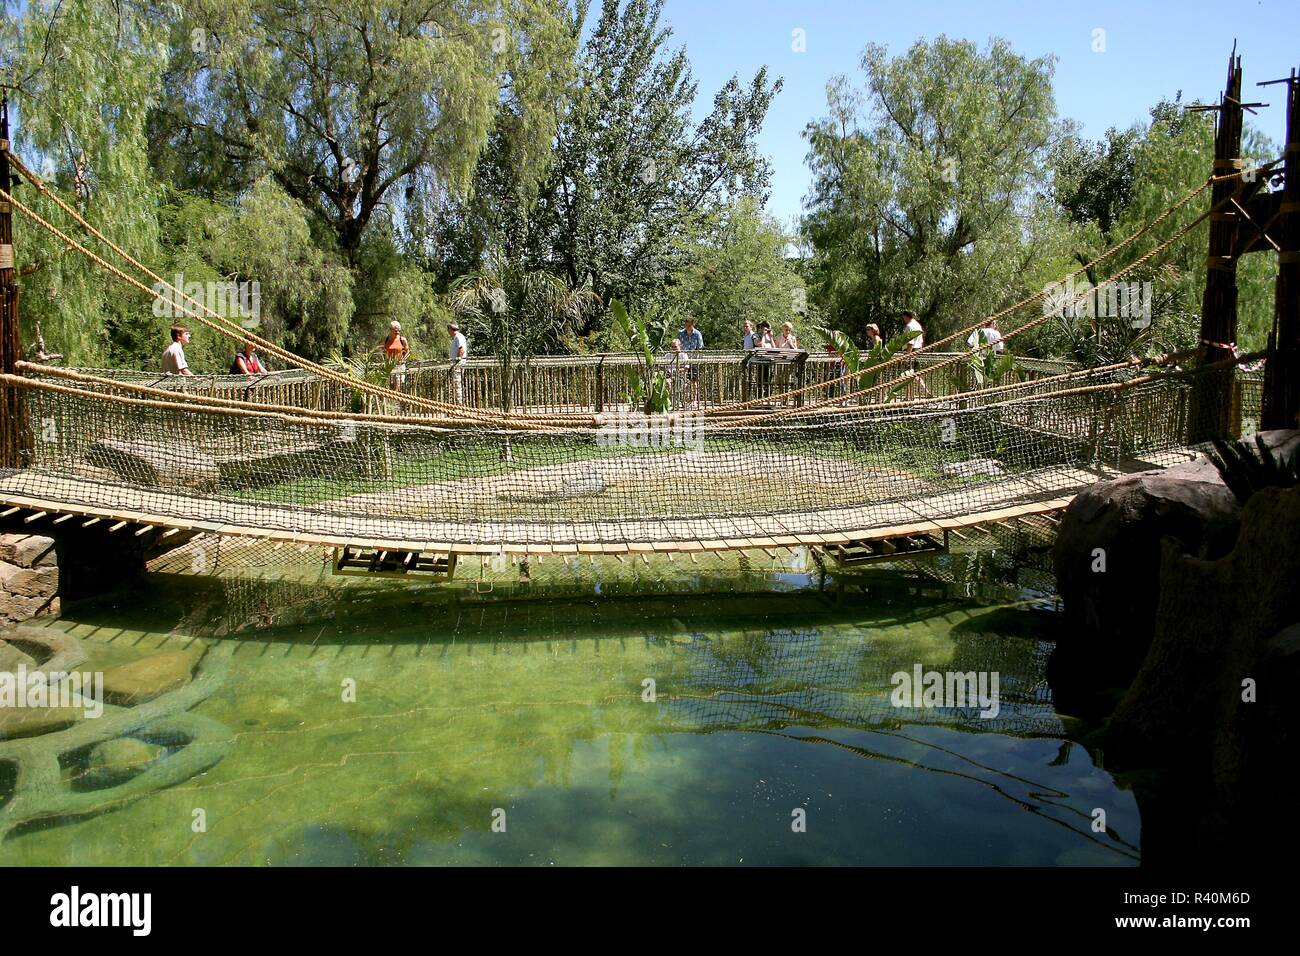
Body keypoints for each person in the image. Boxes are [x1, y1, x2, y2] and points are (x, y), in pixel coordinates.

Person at [382, 320, 410, 390]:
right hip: (389, 366)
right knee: (390, 385)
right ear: (390, 330)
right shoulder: (386, 340)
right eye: (395, 330)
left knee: (398, 384)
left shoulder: (402, 340)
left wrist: (403, 359)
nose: (397, 332)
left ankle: (395, 399)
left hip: (399, 365)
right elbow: (382, 350)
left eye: (399, 330)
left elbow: (407, 351)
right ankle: (390, 400)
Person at [448, 321, 468, 403]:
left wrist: (457, 360)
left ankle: (459, 403)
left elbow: (461, 349)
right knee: (456, 383)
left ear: (450, 329)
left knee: (457, 384)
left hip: (458, 365)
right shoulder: (457, 337)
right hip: (456, 364)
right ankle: (457, 402)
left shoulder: (458, 337)